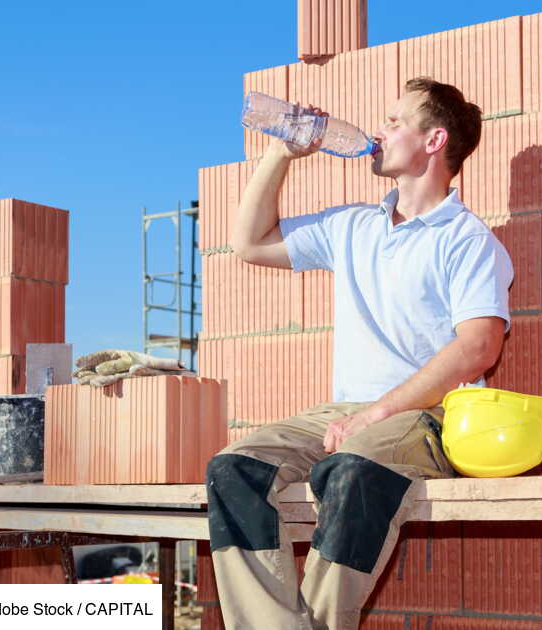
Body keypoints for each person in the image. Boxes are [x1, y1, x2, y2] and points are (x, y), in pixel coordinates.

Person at [205, 77, 513, 630]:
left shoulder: (466, 240)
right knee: (234, 469)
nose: (380, 130)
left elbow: (480, 346)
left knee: (351, 470)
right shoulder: (352, 226)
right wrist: (283, 149)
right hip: (345, 414)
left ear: (434, 140)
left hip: (426, 416)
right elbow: (249, 243)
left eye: (396, 122)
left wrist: (376, 414)